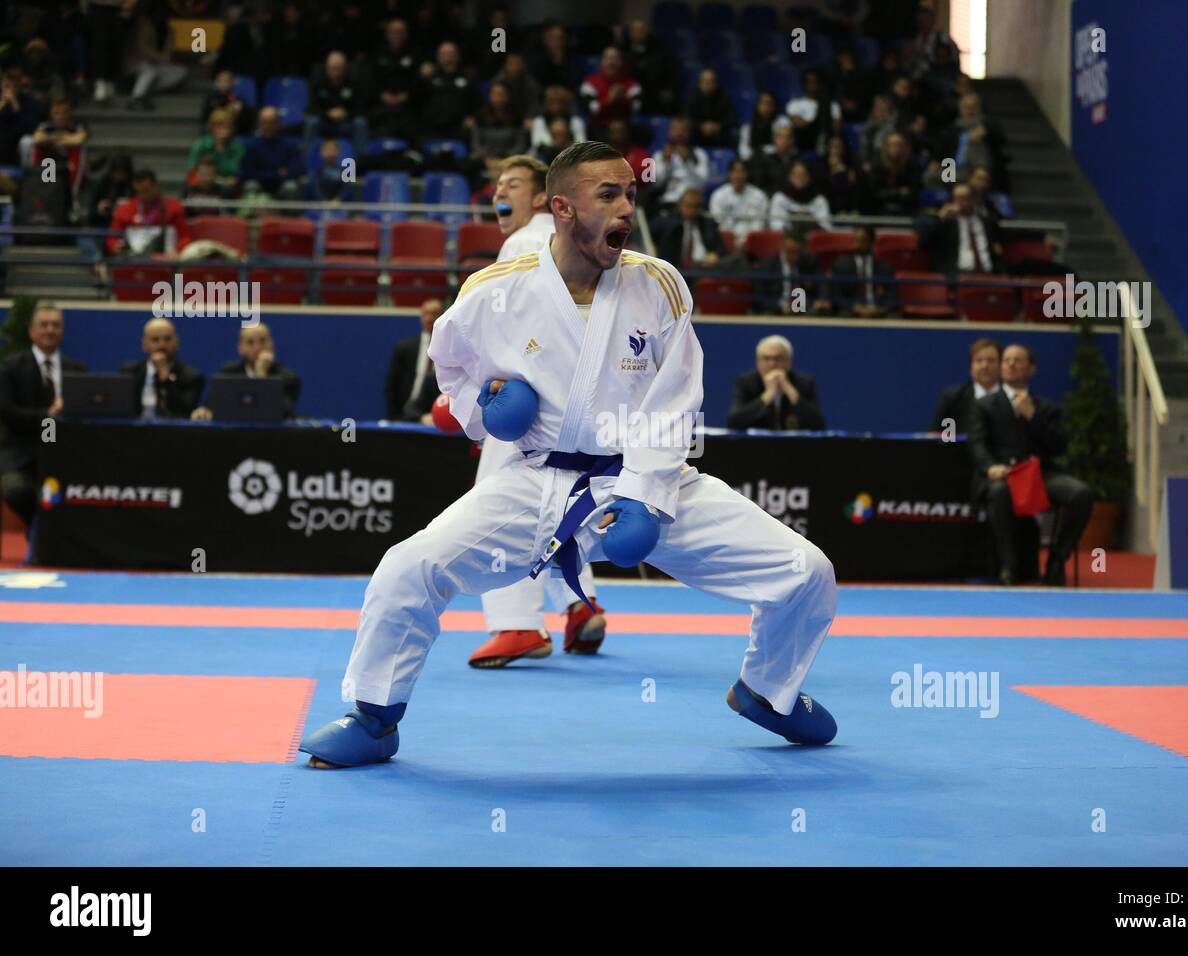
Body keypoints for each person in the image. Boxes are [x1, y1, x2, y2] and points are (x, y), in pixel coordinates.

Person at [299, 141, 839, 768]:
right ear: (561, 207)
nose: (625, 209)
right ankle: (373, 717)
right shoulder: (496, 290)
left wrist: (646, 492)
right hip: (536, 483)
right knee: (406, 568)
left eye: (631, 194)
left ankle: (768, 691)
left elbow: (676, 402)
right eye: (607, 195)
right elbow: (448, 362)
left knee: (808, 571)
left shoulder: (658, 285)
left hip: (644, 480)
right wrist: (485, 405)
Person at [454, 153, 611, 669]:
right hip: (582, 406)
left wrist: (469, 389)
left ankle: (517, 624)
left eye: (514, 183)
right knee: (563, 502)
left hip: (526, 401)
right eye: (497, 182)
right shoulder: (584, 243)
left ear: (543, 197)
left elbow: (497, 329)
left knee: (500, 503)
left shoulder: (525, 240)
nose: (502, 190)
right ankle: (579, 604)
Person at [968, 344, 1094, 586]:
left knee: (1081, 494)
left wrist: (1032, 417)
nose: (1011, 364)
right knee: (1000, 492)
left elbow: (1059, 446)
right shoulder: (984, 405)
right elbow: (976, 443)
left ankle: (1056, 560)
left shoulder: (1045, 407)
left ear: (1032, 368)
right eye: (1007, 360)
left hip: (1039, 475)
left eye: (1018, 360)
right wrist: (989, 467)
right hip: (1003, 475)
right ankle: (1008, 566)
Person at [0, 303, 87, 527]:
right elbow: (7, 411)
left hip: (67, 453)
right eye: (44, 325)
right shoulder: (11, 367)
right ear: (31, 331)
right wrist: (48, 414)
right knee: (15, 489)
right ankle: (39, 528)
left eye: (55, 325)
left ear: (62, 331)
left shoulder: (77, 370)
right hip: (22, 455)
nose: (50, 330)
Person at [192, 324, 301, 420]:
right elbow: (212, 404)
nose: (257, 347)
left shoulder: (288, 378)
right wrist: (204, 411)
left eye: (262, 341)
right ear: (240, 348)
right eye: (250, 342)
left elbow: (282, 411)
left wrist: (261, 376)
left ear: (272, 344)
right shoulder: (228, 373)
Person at [726, 335, 826, 431]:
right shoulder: (746, 382)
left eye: (778, 358)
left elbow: (819, 425)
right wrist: (768, 395)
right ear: (757, 362)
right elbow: (734, 423)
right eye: (766, 358)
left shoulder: (803, 383)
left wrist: (790, 392)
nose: (772, 364)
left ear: (789, 362)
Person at [120, 318, 205, 419]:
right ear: (144, 344)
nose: (162, 345)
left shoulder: (191, 377)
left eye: (167, 339)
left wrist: (165, 376)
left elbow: (184, 411)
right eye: (155, 340)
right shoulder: (130, 373)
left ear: (176, 342)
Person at [919, 183, 1004, 274]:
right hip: (956, 277)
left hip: (988, 276)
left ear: (974, 199)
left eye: (964, 197)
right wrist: (941, 219)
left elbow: (1004, 238)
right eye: (956, 198)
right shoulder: (947, 223)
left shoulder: (987, 222)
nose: (960, 202)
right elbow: (923, 243)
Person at [106, 168, 191, 257]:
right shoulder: (124, 210)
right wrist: (116, 247)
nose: (142, 196)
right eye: (138, 192)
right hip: (134, 260)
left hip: (168, 259)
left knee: (181, 270)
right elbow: (112, 238)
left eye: (146, 191)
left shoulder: (173, 207)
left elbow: (185, 237)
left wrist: (177, 250)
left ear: (156, 186)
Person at [386, 298, 444, 420]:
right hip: (407, 415)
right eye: (425, 314)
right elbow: (392, 386)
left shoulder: (451, 349)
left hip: (441, 413)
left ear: (443, 316)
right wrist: (395, 418)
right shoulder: (405, 348)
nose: (429, 318)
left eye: (434, 314)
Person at [928, 337, 1001, 435]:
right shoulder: (953, 398)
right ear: (971, 367)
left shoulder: (1011, 398)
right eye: (979, 360)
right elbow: (937, 437)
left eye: (991, 360)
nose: (984, 365)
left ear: (1001, 365)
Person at [753, 230, 831, 316]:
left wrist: (823, 299)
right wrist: (780, 307)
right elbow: (759, 296)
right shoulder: (767, 265)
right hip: (776, 313)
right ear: (782, 247)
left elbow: (821, 282)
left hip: (805, 312)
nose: (795, 257)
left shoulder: (809, 261)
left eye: (798, 253)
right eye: (790, 252)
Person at [651, 188, 727, 273]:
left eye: (696, 207)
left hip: (705, 268)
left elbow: (721, 248)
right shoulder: (668, 223)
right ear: (680, 205)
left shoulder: (708, 224)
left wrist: (715, 254)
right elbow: (649, 234)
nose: (692, 210)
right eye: (688, 206)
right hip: (676, 269)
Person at [827, 225, 897, 317]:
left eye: (862, 241)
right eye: (855, 240)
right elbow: (837, 295)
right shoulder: (841, 266)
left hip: (878, 312)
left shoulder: (885, 267)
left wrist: (879, 310)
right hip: (851, 312)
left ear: (871, 243)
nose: (857, 244)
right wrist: (855, 308)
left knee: (894, 316)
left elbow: (892, 296)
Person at [241, 107, 307, 199]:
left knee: (291, 187)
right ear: (259, 124)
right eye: (264, 122)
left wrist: (263, 173)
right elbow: (248, 173)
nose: (268, 126)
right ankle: (254, 214)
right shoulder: (251, 146)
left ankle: (288, 214)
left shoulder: (290, 145)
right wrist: (276, 174)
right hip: (260, 187)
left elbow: (296, 171)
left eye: (272, 122)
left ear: (278, 123)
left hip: (282, 188)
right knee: (250, 185)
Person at [579, 46, 641, 134]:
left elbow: (636, 109)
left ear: (621, 62)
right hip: (599, 130)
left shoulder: (632, 85)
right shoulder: (589, 84)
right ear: (601, 62)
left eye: (615, 58)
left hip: (625, 130)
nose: (611, 62)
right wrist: (609, 99)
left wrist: (622, 99)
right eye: (607, 58)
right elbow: (591, 109)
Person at [707, 158, 769, 245]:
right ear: (729, 174)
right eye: (735, 172)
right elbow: (718, 222)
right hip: (726, 241)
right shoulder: (718, 195)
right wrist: (733, 240)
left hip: (752, 242)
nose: (739, 176)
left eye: (742, 171)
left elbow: (759, 223)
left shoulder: (759, 196)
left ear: (747, 174)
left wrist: (746, 241)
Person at [186, 108, 244, 198]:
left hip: (226, 186)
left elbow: (237, 174)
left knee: (228, 190)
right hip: (203, 184)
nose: (225, 129)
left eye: (228, 126)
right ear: (212, 126)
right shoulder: (200, 145)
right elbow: (192, 172)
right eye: (220, 125)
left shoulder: (237, 148)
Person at [768, 161, 832, 233]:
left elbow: (826, 227)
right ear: (789, 177)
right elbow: (776, 226)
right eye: (795, 175)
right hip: (787, 240)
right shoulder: (780, 197)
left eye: (803, 175)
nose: (799, 178)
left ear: (809, 177)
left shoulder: (819, 200)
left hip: (813, 240)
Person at [685, 68, 737, 149]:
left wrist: (717, 126)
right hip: (697, 134)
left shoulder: (723, 97)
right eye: (704, 81)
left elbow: (732, 119)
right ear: (699, 83)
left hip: (718, 134)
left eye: (711, 82)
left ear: (715, 84)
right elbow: (687, 118)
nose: (707, 84)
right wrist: (701, 126)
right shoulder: (692, 98)